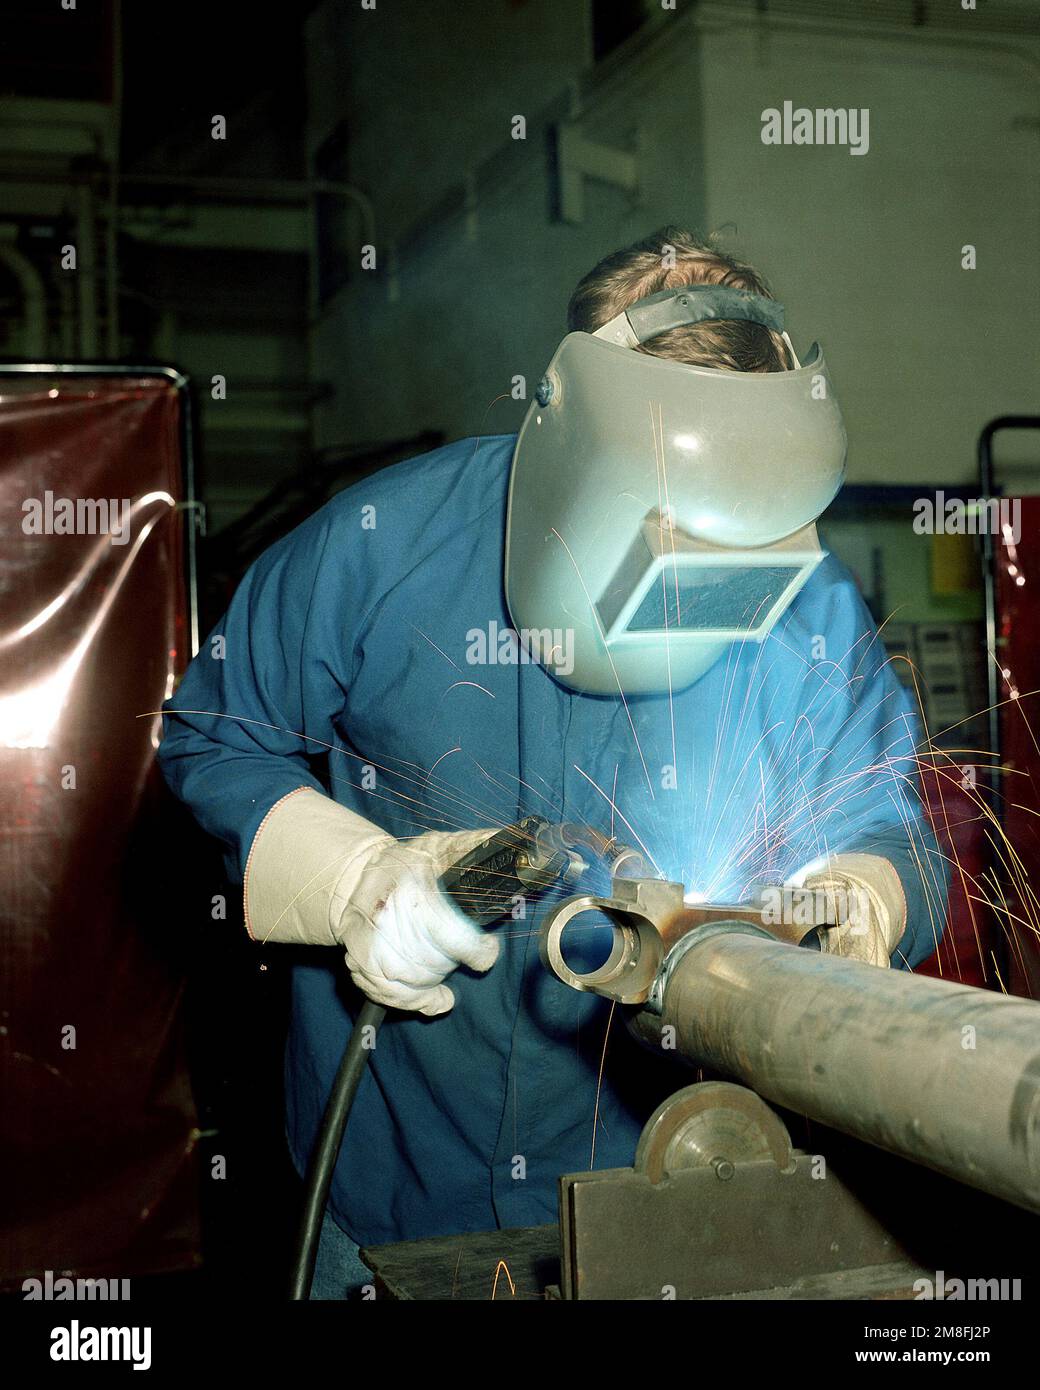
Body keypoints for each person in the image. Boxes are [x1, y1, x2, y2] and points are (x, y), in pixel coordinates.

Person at [157, 227, 947, 1297]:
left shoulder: (805, 599)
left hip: (676, 1189)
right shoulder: (386, 541)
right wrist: (354, 879)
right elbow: (215, 730)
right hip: (393, 1180)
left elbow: (887, 816)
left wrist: (863, 894)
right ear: (571, 441)